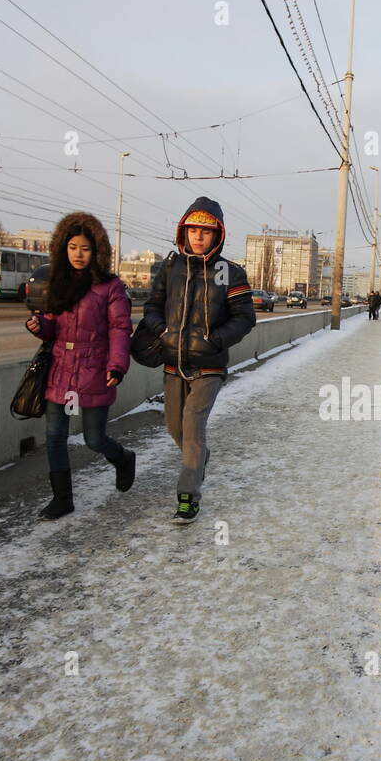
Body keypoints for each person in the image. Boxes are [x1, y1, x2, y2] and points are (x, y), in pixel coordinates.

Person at [140, 196, 254, 524]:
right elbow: (152, 306)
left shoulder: (230, 272)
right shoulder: (172, 267)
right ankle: (199, 457)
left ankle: (188, 497)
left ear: (217, 234)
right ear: (184, 231)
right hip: (174, 362)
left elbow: (245, 318)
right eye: (193, 230)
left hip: (209, 366)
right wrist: (162, 331)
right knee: (175, 428)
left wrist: (213, 339)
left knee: (192, 425)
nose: (198, 236)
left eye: (205, 231)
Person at [26, 211, 135, 520]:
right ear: (63, 247)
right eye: (72, 246)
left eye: (84, 248)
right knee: (55, 437)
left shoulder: (109, 287)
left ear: (96, 251)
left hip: (94, 370)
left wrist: (117, 365)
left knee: (94, 439)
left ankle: (123, 458)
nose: (78, 254)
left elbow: (120, 329)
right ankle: (62, 499)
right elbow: (52, 326)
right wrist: (38, 326)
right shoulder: (58, 281)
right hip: (60, 369)